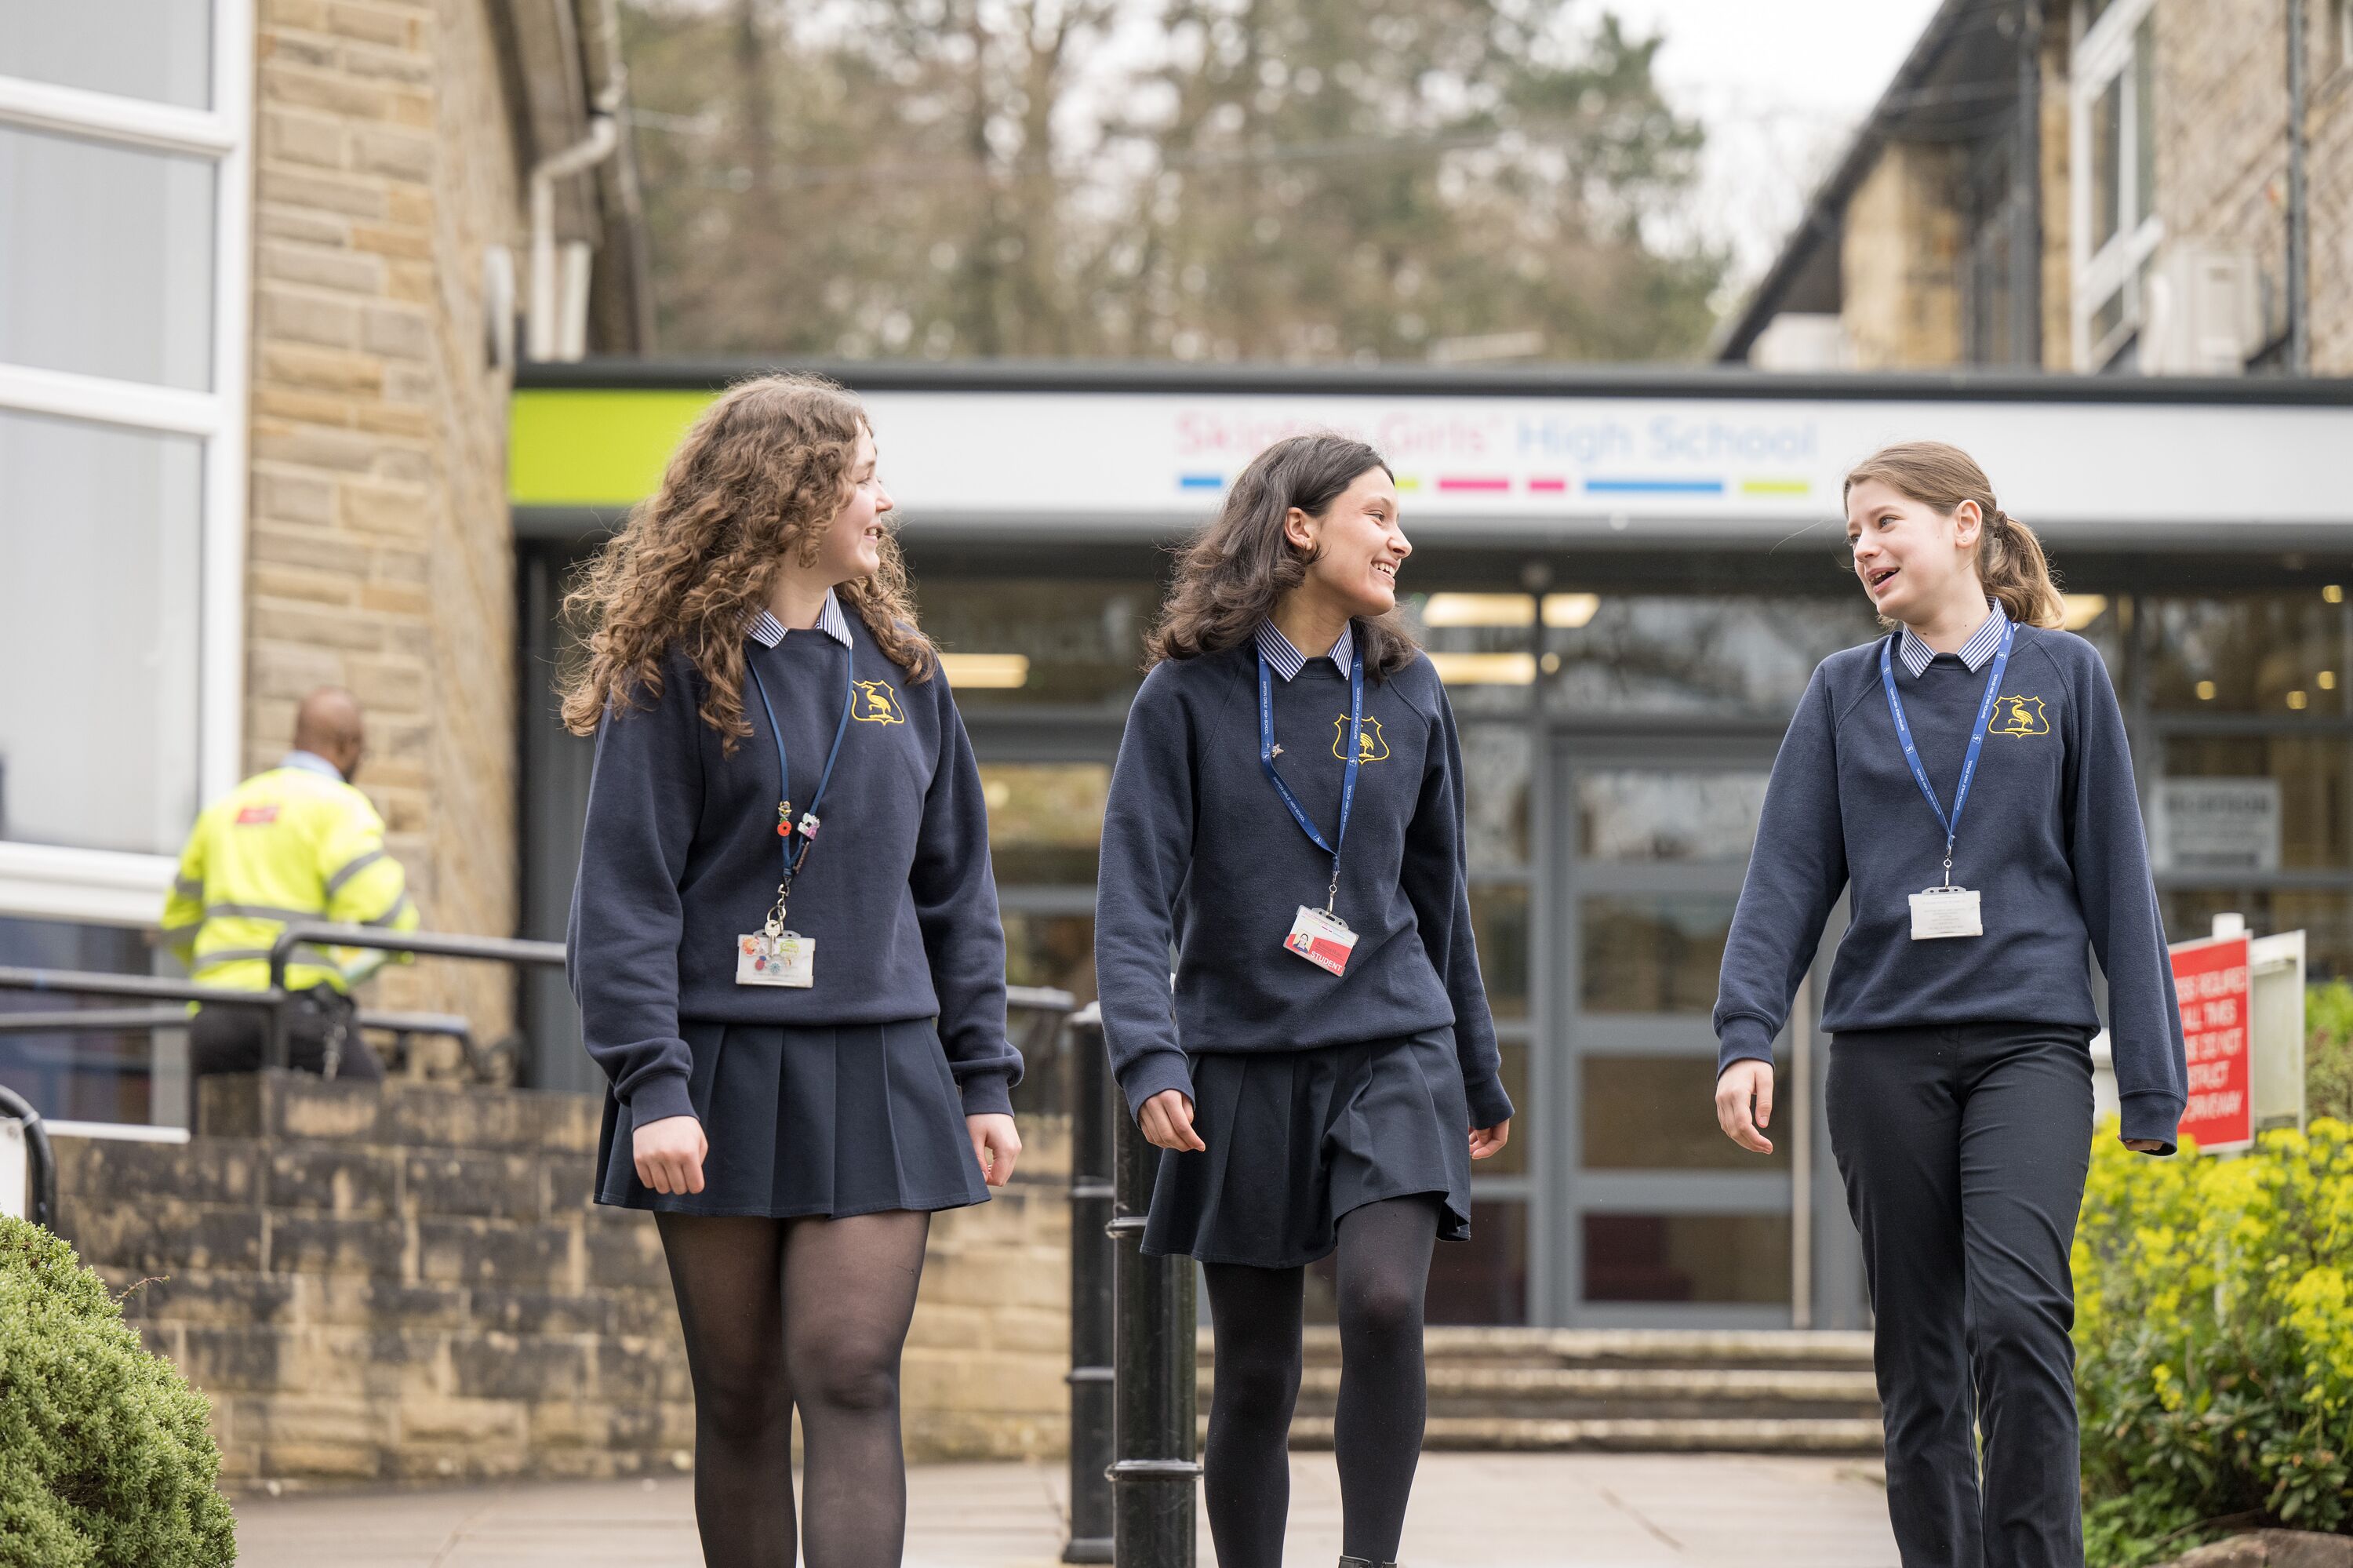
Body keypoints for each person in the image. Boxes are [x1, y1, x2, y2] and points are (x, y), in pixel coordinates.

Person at [560, 373, 1022, 1568]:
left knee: (851, 1369)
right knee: (744, 1394)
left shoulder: (907, 677)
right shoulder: (669, 672)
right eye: (863, 474)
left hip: (881, 1062)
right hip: (713, 1071)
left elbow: (958, 892)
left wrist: (985, 1075)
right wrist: (651, 1081)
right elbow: (623, 894)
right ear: (789, 490)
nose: (884, 500)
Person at [1711, 441, 2186, 1568]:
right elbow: (1782, 878)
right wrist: (1745, 1032)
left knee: (2019, 1321)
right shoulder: (1840, 693)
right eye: (1854, 535)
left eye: (1885, 523)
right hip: (1882, 1054)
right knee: (1917, 1361)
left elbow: (2120, 875)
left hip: (2030, 1045)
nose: (1866, 548)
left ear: (1964, 523)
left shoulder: (2063, 677)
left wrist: (2156, 1077)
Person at [1095, 432, 1512, 1568]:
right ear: (1299, 525)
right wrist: (1150, 1055)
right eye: (1377, 514)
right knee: (1259, 1370)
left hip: (1394, 1042)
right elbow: (1132, 895)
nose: (1400, 537)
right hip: (1243, 1057)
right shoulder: (1182, 700)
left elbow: (1440, 892)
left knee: (1383, 1299)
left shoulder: (1410, 690)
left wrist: (1478, 1064)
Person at [164, 686, 418, 1081]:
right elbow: (389, 916)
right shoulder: (337, 806)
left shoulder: (224, 811)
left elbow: (178, 925)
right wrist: (357, 965)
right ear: (347, 746)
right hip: (298, 1016)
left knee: (223, 1137)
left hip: (216, 1019)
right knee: (370, 1118)